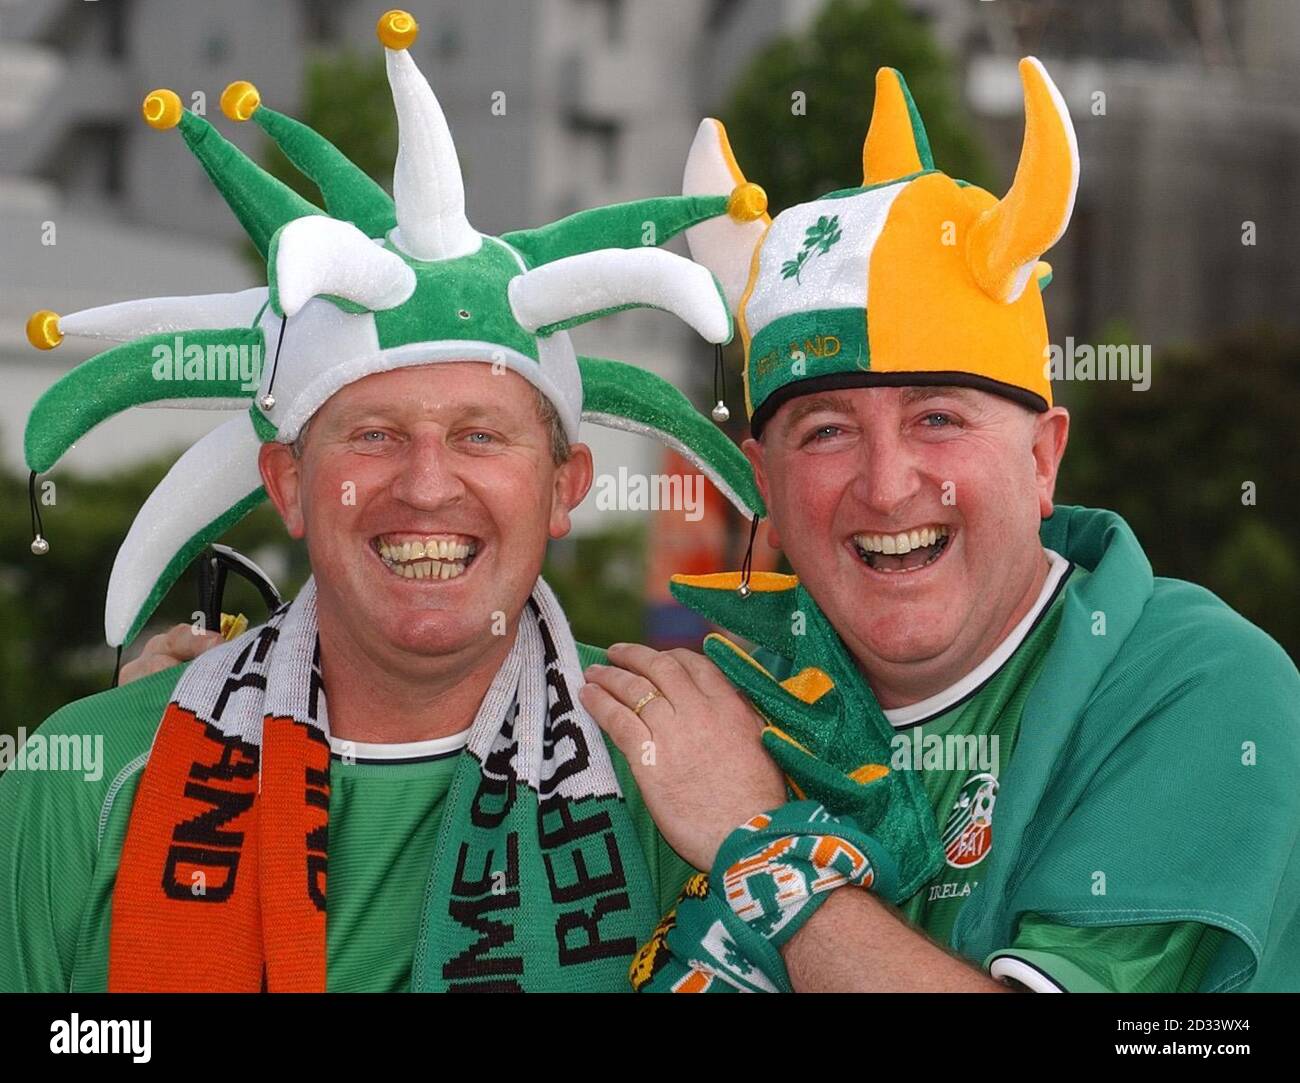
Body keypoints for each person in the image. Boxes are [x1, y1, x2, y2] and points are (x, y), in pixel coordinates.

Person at [0, 10, 771, 993]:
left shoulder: (684, 774)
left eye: (480, 435)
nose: (425, 483)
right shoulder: (88, 776)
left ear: (565, 484)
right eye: (371, 435)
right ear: (287, 483)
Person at [581, 59, 1300, 992]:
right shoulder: (710, 715)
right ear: (764, 487)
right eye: (827, 430)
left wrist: (761, 849)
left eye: (939, 418)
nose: (886, 487)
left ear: (1043, 458)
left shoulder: (1196, 685)